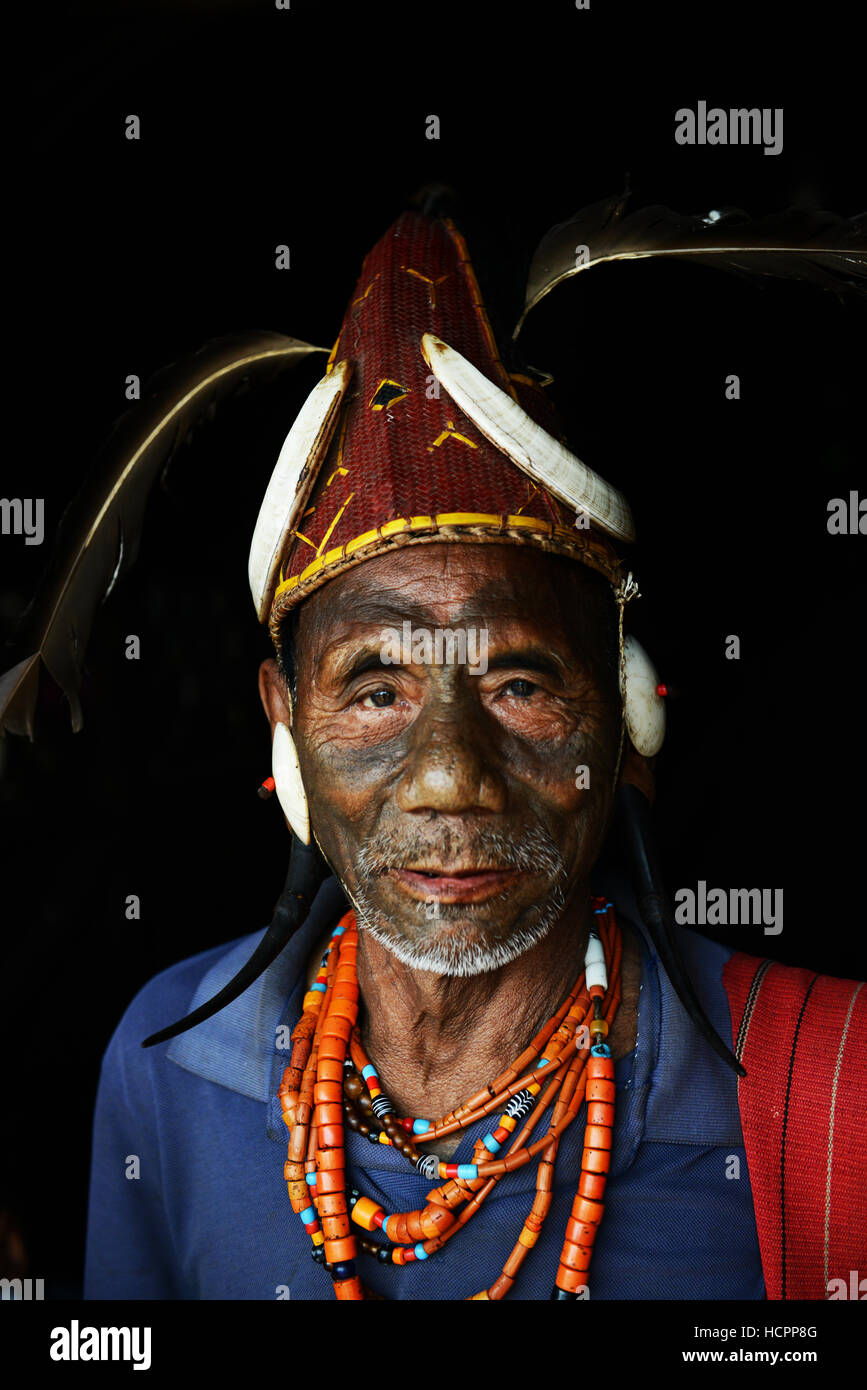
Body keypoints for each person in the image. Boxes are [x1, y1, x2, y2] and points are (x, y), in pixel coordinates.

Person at [83, 207, 865, 1301]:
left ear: (627, 716)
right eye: (376, 691)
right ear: (285, 722)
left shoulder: (829, 1095)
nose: (451, 777)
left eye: (519, 685)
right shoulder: (169, 1069)